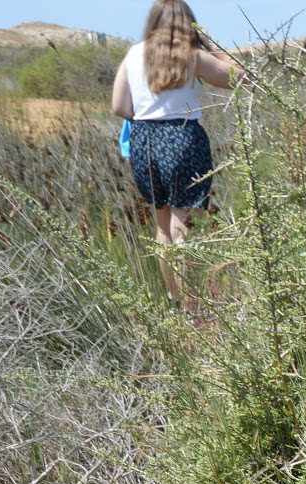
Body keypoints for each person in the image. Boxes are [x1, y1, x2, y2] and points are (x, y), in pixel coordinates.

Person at [111, 0, 241, 308]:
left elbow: (119, 106)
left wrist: (147, 118)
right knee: (184, 227)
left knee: (162, 227)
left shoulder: (133, 54)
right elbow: (239, 77)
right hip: (183, 138)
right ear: (188, 24)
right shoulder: (193, 55)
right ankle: (191, 305)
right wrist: (211, 44)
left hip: (145, 141)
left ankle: (174, 298)